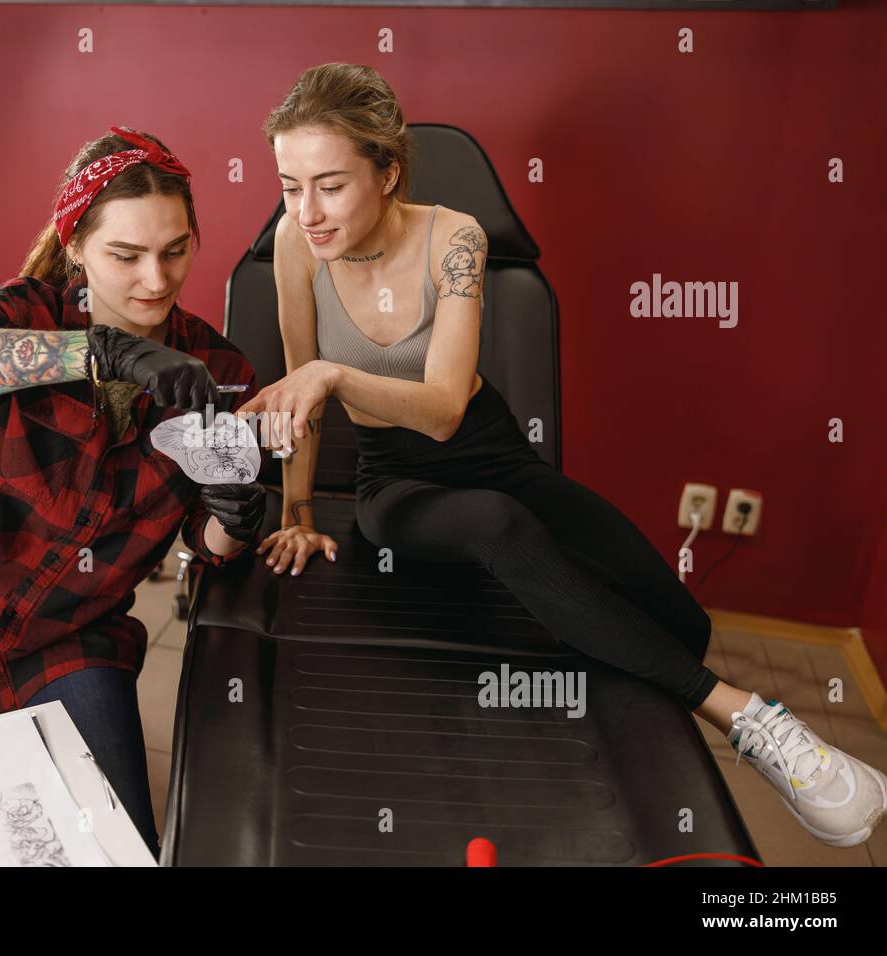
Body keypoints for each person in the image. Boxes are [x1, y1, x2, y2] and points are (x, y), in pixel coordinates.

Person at [236, 63, 886, 849]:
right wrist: (299, 512)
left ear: (388, 172)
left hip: (489, 447)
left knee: (682, 620)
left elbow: (444, 412)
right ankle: (750, 719)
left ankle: (677, 686)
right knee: (500, 528)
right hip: (395, 480)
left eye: (329, 185)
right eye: (289, 185)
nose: (305, 211)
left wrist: (336, 373)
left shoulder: (458, 240)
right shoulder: (296, 249)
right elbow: (299, 400)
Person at [0, 126, 267, 858]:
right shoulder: (30, 316)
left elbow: (205, 544)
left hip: (74, 631)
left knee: (116, 849)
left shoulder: (219, 371)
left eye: (175, 249)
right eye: (125, 255)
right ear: (75, 246)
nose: (157, 280)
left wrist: (234, 516)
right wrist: (96, 352)